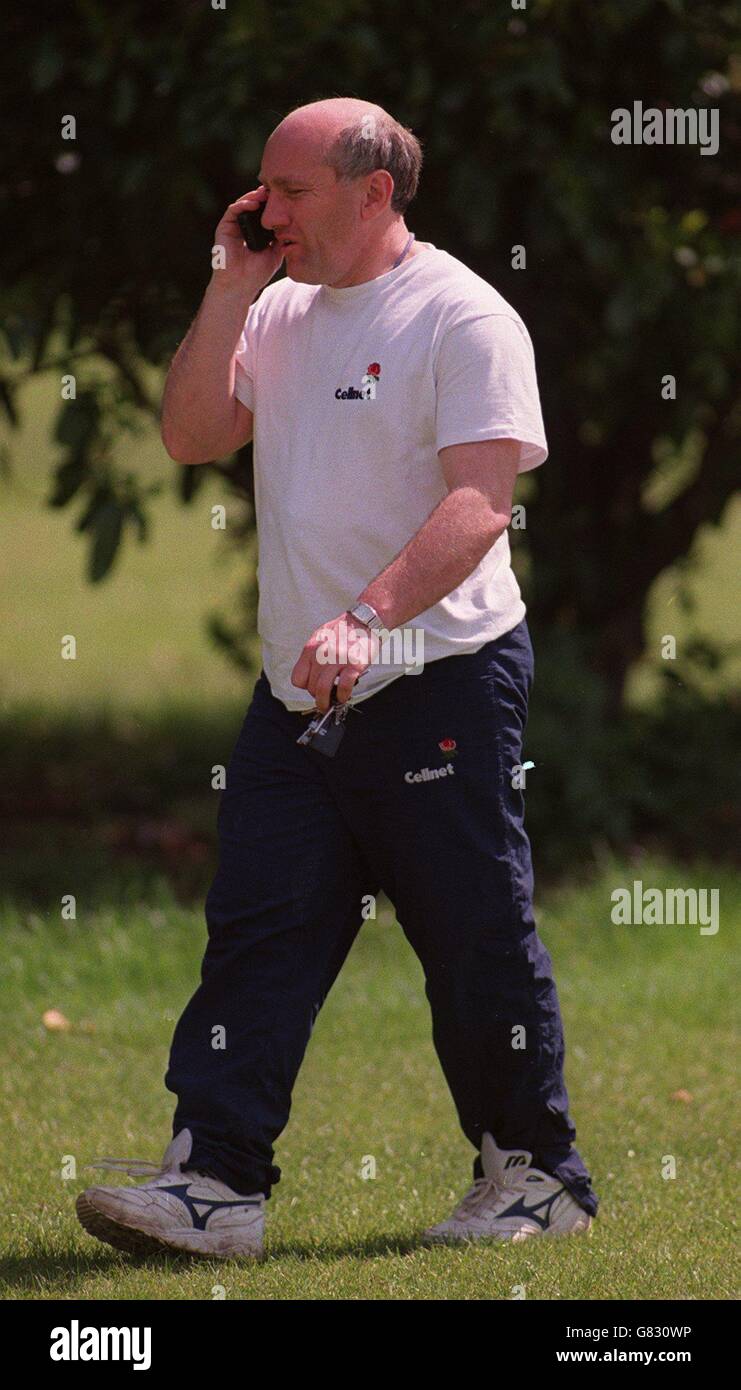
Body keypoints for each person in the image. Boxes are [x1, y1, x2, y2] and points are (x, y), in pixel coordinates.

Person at [76, 96, 599, 1261]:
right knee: (258, 933)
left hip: (441, 676)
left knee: (471, 934)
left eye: (292, 190)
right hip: (297, 694)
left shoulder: (463, 317)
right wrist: (227, 288)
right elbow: (191, 434)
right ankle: (215, 1183)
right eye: (262, 186)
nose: (267, 208)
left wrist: (368, 616)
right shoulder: (280, 310)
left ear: (375, 194)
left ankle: (536, 1171)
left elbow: (481, 501)